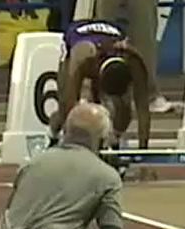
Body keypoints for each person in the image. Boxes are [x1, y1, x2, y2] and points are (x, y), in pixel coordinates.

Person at [52, 19, 155, 152]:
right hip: (79, 43)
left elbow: (143, 109)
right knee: (64, 106)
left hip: (106, 43)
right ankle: (52, 135)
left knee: (123, 108)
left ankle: (115, 139)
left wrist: (143, 152)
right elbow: (70, 105)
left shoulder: (133, 60)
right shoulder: (82, 57)